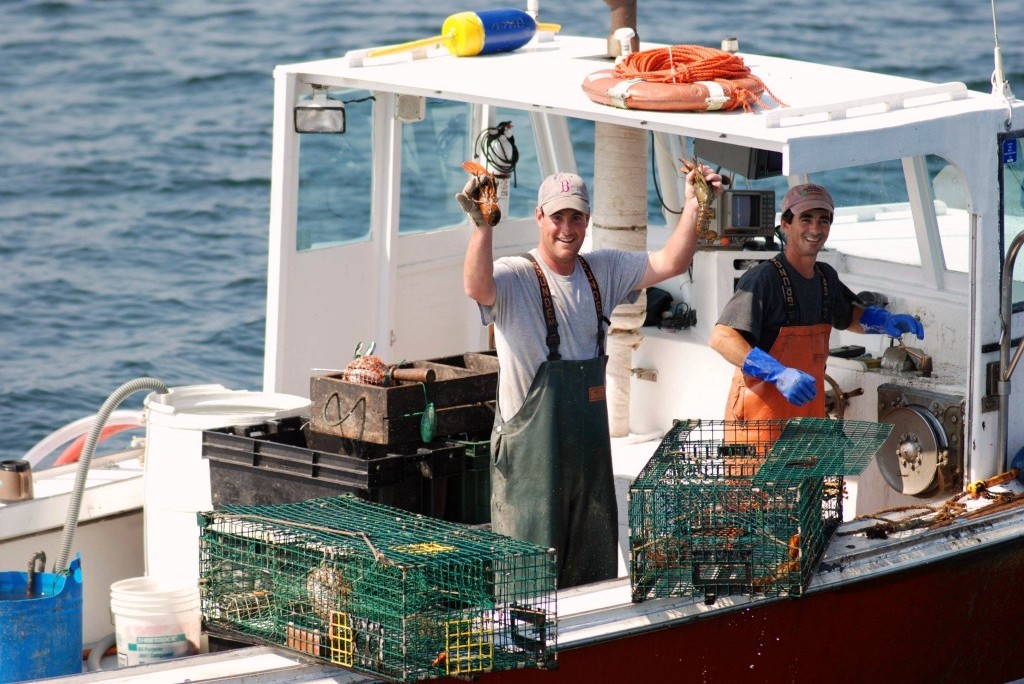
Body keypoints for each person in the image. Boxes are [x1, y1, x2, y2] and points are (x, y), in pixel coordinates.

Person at [459, 165, 724, 588]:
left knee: (591, 579)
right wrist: (482, 226)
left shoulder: (603, 270)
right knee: (527, 586)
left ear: (588, 221)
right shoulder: (514, 276)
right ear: (539, 217)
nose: (567, 228)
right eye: (558, 217)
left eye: (577, 218)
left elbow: (672, 260)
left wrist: (693, 205)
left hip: (588, 458)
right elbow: (477, 287)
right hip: (529, 465)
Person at [709, 183, 924, 432]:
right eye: (806, 219)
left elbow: (850, 316)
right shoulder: (763, 279)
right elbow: (722, 338)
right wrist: (777, 373)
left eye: (824, 220)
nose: (815, 229)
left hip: (807, 418)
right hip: (759, 422)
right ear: (786, 225)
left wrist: (885, 322)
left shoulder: (825, 278)